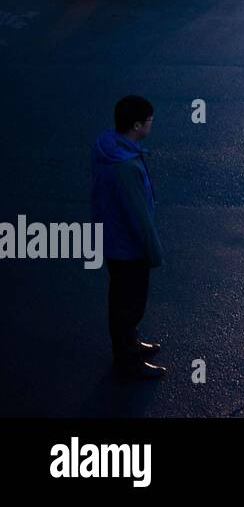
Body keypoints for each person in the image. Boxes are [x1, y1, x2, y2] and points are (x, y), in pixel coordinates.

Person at [91, 95, 165, 380]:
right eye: (149, 120)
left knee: (122, 299)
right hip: (128, 247)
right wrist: (153, 251)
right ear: (136, 125)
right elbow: (138, 217)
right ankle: (127, 359)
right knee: (129, 303)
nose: (151, 124)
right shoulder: (126, 166)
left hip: (112, 238)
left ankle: (130, 344)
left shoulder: (108, 147)